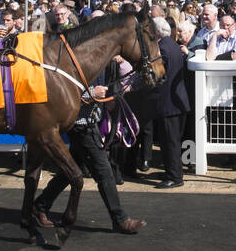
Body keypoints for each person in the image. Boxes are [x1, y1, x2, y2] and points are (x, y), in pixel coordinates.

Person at [33, 86, 145, 234]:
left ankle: (40, 206)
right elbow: (64, 92)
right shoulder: (74, 64)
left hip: (89, 123)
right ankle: (120, 220)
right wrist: (92, 94)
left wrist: (106, 99)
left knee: (70, 171)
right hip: (81, 126)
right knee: (104, 172)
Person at [152, 17, 190, 189]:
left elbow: (159, 75)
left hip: (169, 103)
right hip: (177, 101)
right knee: (171, 140)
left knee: (170, 141)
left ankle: (175, 176)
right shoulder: (173, 45)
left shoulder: (162, 48)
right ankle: (172, 171)